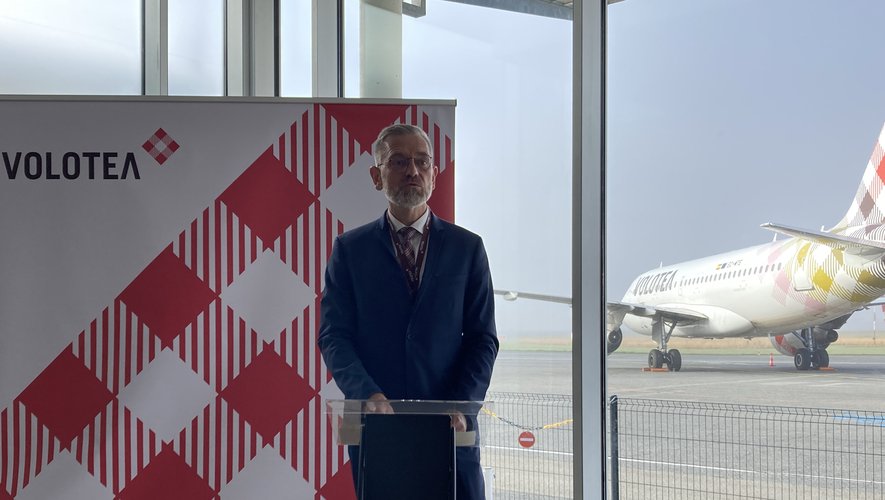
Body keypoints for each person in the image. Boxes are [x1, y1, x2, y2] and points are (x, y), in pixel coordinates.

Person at [318, 123, 498, 499]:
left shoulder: (468, 249)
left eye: (421, 162)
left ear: (434, 173)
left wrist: (462, 404)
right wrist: (368, 394)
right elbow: (334, 336)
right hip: (379, 430)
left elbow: (483, 339)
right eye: (398, 162)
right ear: (375, 175)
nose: (412, 171)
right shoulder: (350, 251)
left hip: (452, 428)